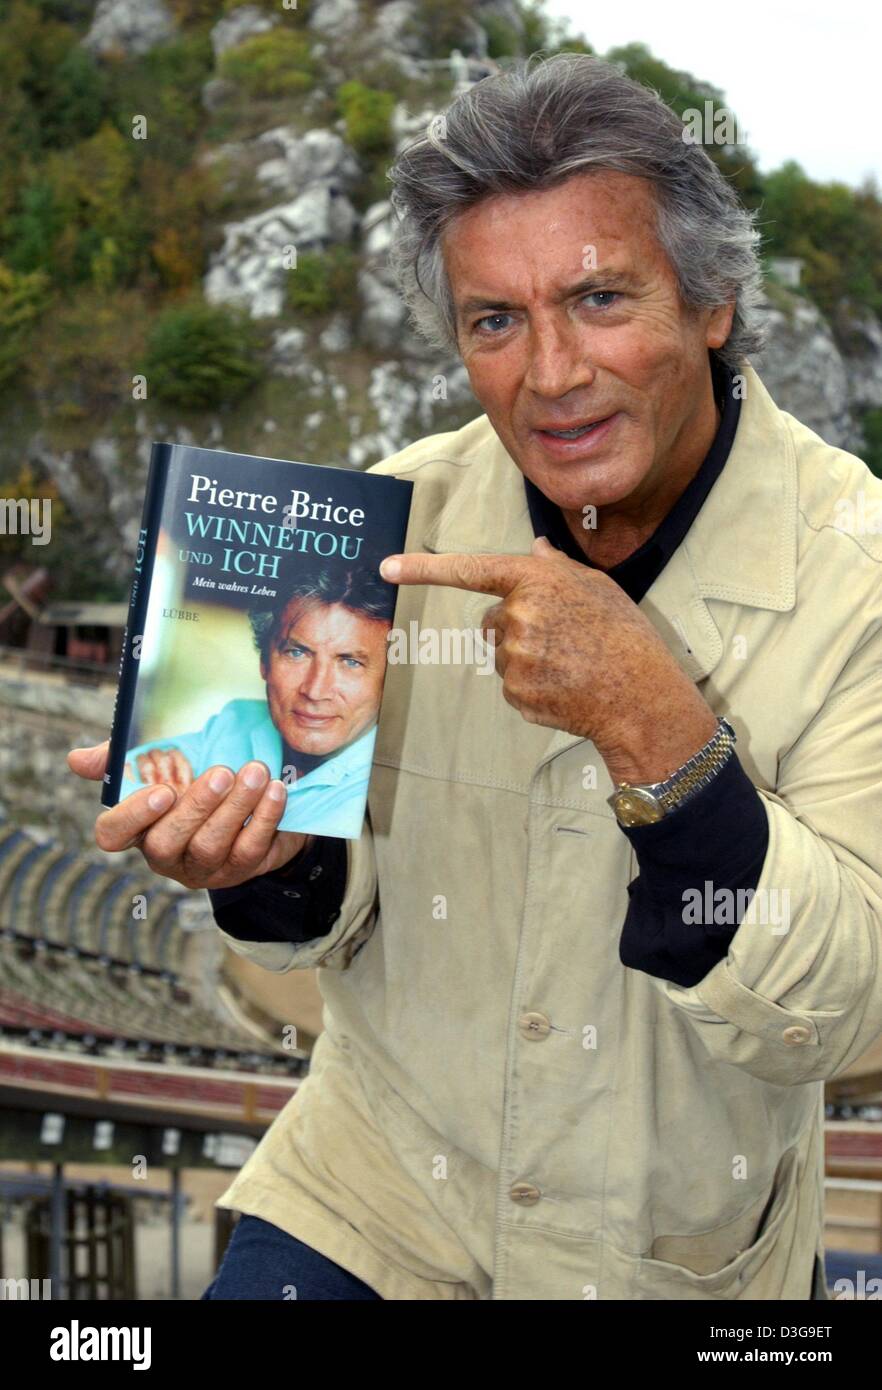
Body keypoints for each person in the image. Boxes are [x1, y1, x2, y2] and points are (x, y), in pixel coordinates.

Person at [69, 53, 882, 1300]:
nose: (549, 373)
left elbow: (854, 1012)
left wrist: (657, 727)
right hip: (372, 1190)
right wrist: (269, 864)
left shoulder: (858, 574)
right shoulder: (392, 519)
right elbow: (339, 902)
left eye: (602, 298)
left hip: (665, 1257)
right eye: (494, 320)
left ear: (711, 300)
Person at [120, 566, 392, 839]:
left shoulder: (389, 782)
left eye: (350, 662)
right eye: (297, 653)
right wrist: (160, 786)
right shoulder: (237, 721)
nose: (315, 690)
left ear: (389, 679)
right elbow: (126, 779)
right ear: (264, 662)